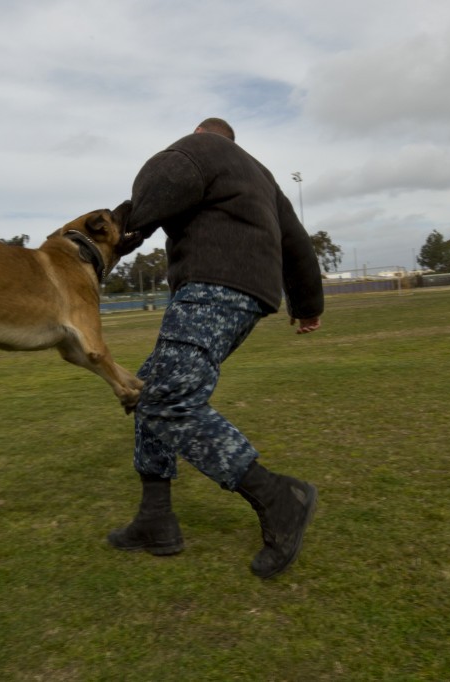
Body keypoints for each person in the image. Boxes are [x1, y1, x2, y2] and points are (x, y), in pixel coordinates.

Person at [108, 118, 324, 579]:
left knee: (168, 399)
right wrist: (307, 304)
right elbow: (296, 241)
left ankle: (279, 498)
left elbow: (169, 173)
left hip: (212, 284)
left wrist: (121, 230)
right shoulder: (262, 176)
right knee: (149, 389)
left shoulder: (203, 148)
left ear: (202, 133)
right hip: (251, 295)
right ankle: (155, 517)